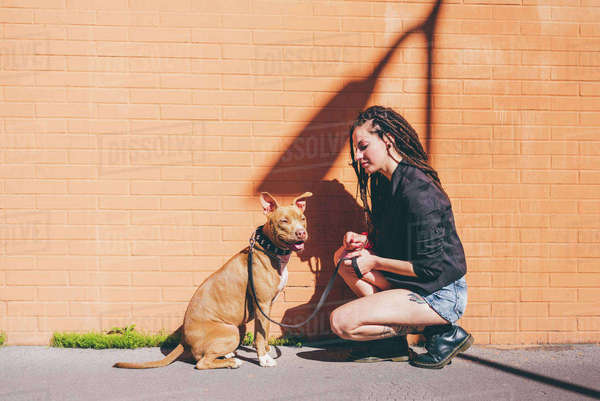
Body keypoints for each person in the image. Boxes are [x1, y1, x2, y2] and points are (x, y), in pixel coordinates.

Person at [329, 105, 473, 369]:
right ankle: (391, 345)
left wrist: (374, 262)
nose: (358, 156)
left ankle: (443, 333)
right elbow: (392, 238)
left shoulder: (419, 193)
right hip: (415, 282)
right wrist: (365, 241)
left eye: (363, 146)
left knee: (342, 323)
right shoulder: (384, 182)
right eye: (356, 150)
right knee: (344, 258)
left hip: (440, 292)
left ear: (388, 140)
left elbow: (429, 268)